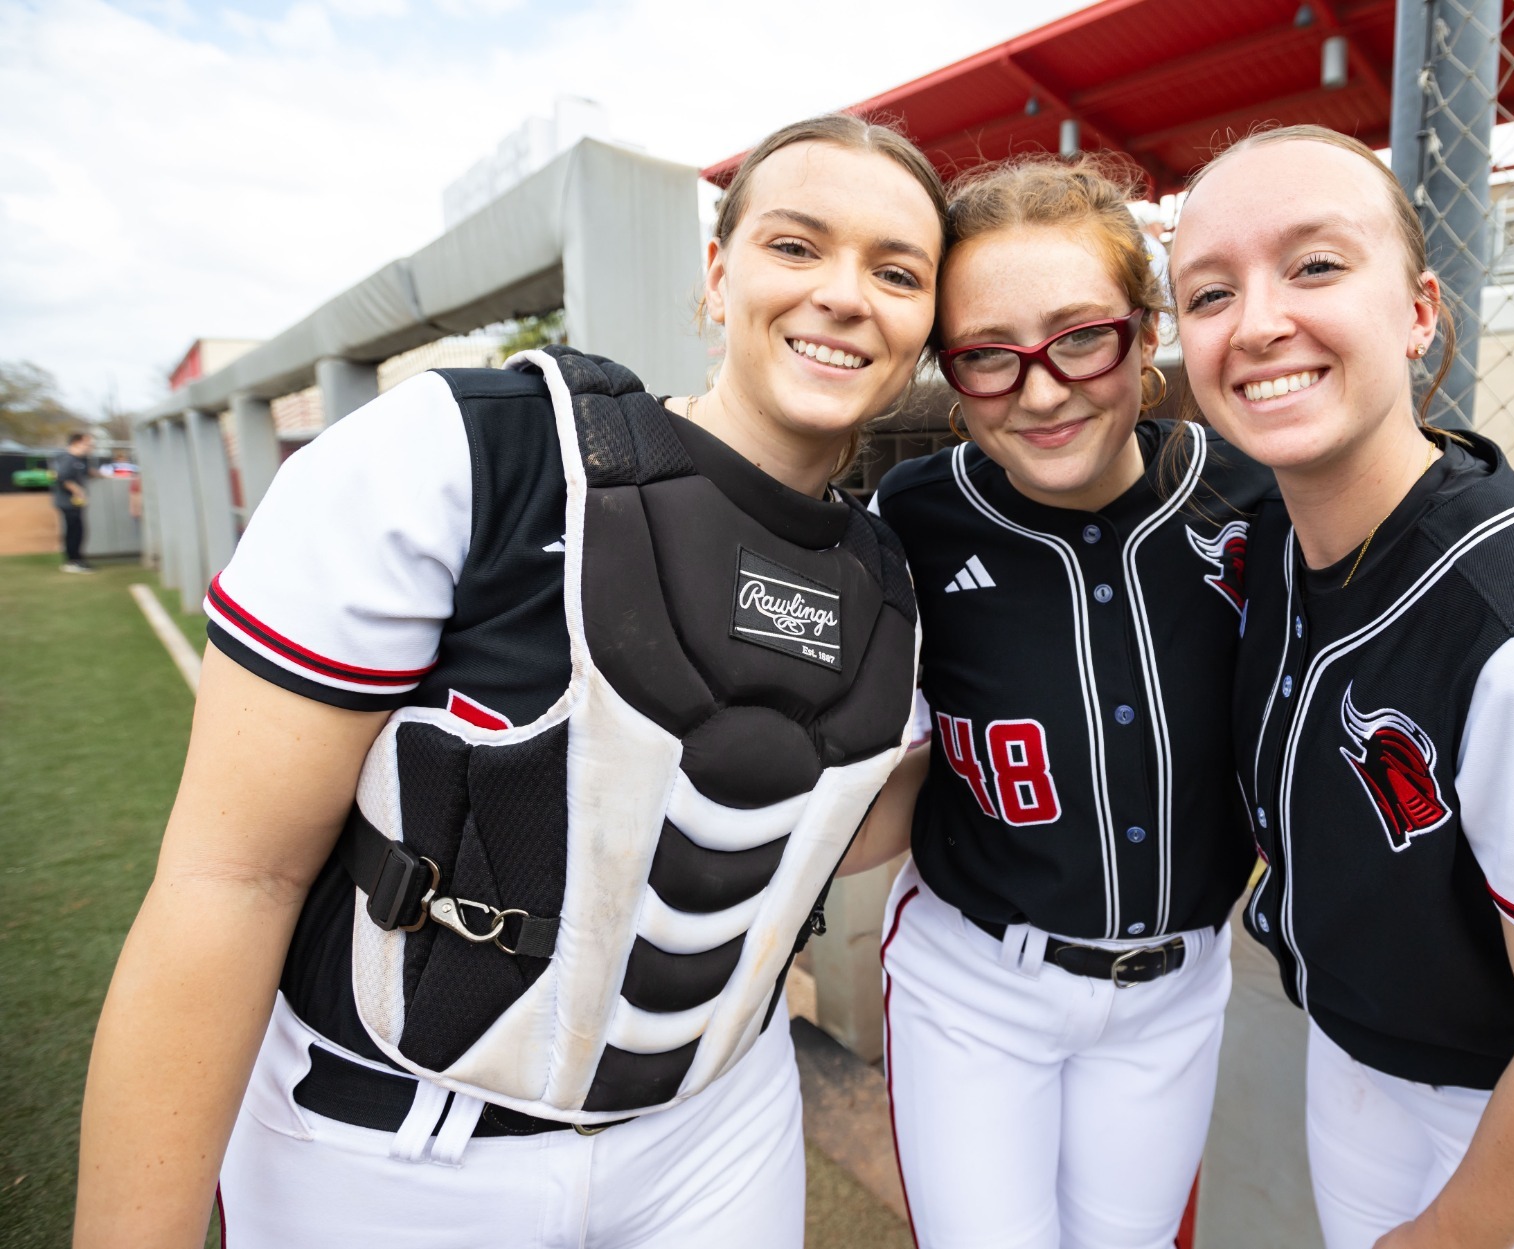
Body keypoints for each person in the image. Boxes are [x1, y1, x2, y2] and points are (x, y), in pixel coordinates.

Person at [74, 114, 944, 1249]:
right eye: (795, 246)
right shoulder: (465, 455)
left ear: (927, 321)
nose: (843, 294)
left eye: (894, 271)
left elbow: (855, 836)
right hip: (388, 1149)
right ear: (717, 275)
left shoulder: (892, 582)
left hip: (716, 1135)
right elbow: (230, 878)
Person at [1169, 126, 1514, 1249]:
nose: (1257, 320)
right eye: (1208, 292)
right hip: (1355, 1058)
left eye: (1314, 265)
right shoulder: (1267, 535)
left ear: (1418, 310)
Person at [854, 155, 1273, 1249]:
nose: (1038, 390)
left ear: (1143, 330)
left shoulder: (1253, 497)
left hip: (1177, 985)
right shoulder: (915, 510)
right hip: (974, 979)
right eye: (986, 358)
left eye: (1079, 335)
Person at [53, 430, 94, 573]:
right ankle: (72, 562)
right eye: (88, 444)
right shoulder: (67, 459)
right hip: (68, 502)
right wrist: (79, 491)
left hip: (75, 503)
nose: (90, 447)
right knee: (74, 531)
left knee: (78, 530)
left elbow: (88, 472)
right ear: (77, 443)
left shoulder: (79, 460)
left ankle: (77, 559)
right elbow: (63, 478)